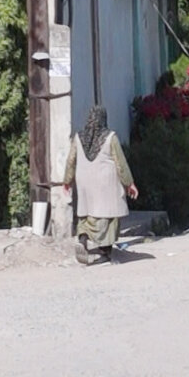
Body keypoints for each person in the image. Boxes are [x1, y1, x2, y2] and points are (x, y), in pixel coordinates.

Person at [63, 105, 139, 264]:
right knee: (108, 216)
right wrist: (129, 183)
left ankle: (83, 239)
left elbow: (71, 160)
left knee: (86, 213)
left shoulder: (78, 137)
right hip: (105, 183)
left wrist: (67, 180)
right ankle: (106, 252)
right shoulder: (110, 137)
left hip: (84, 181)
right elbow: (120, 163)